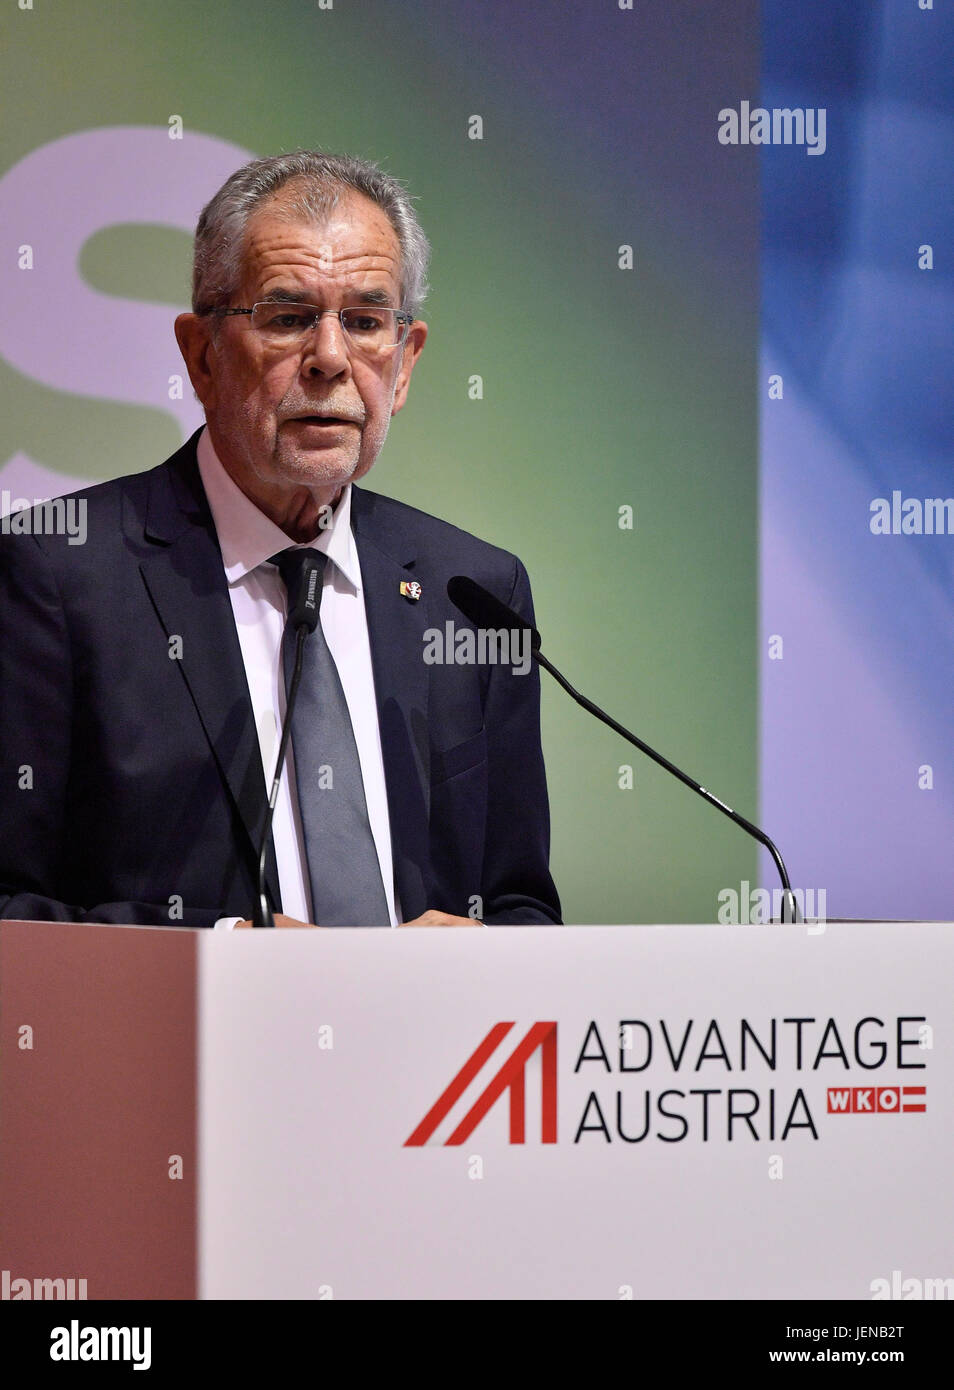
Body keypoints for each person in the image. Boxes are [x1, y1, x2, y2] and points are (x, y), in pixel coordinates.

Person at [0, 151, 561, 929]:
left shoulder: (474, 594)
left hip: (426, 1050)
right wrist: (225, 955)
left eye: (366, 322)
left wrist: (484, 954)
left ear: (403, 365)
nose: (331, 359)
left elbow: (522, 906)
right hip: (173, 1049)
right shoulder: (52, 579)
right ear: (201, 354)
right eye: (288, 317)